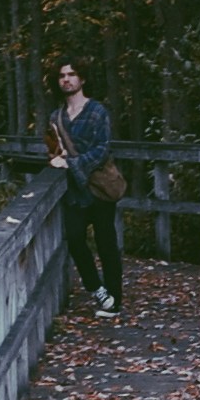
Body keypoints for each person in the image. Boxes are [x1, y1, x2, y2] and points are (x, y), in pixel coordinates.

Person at [48, 57, 121, 318]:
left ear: (82, 79)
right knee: (75, 238)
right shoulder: (55, 117)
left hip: (99, 187)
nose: (66, 79)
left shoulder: (98, 111)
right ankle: (97, 288)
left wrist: (74, 164)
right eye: (62, 75)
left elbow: (102, 149)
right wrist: (57, 159)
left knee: (106, 242)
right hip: (74, 192)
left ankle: (115, 299)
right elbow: (54, 152)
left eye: (72, 74)